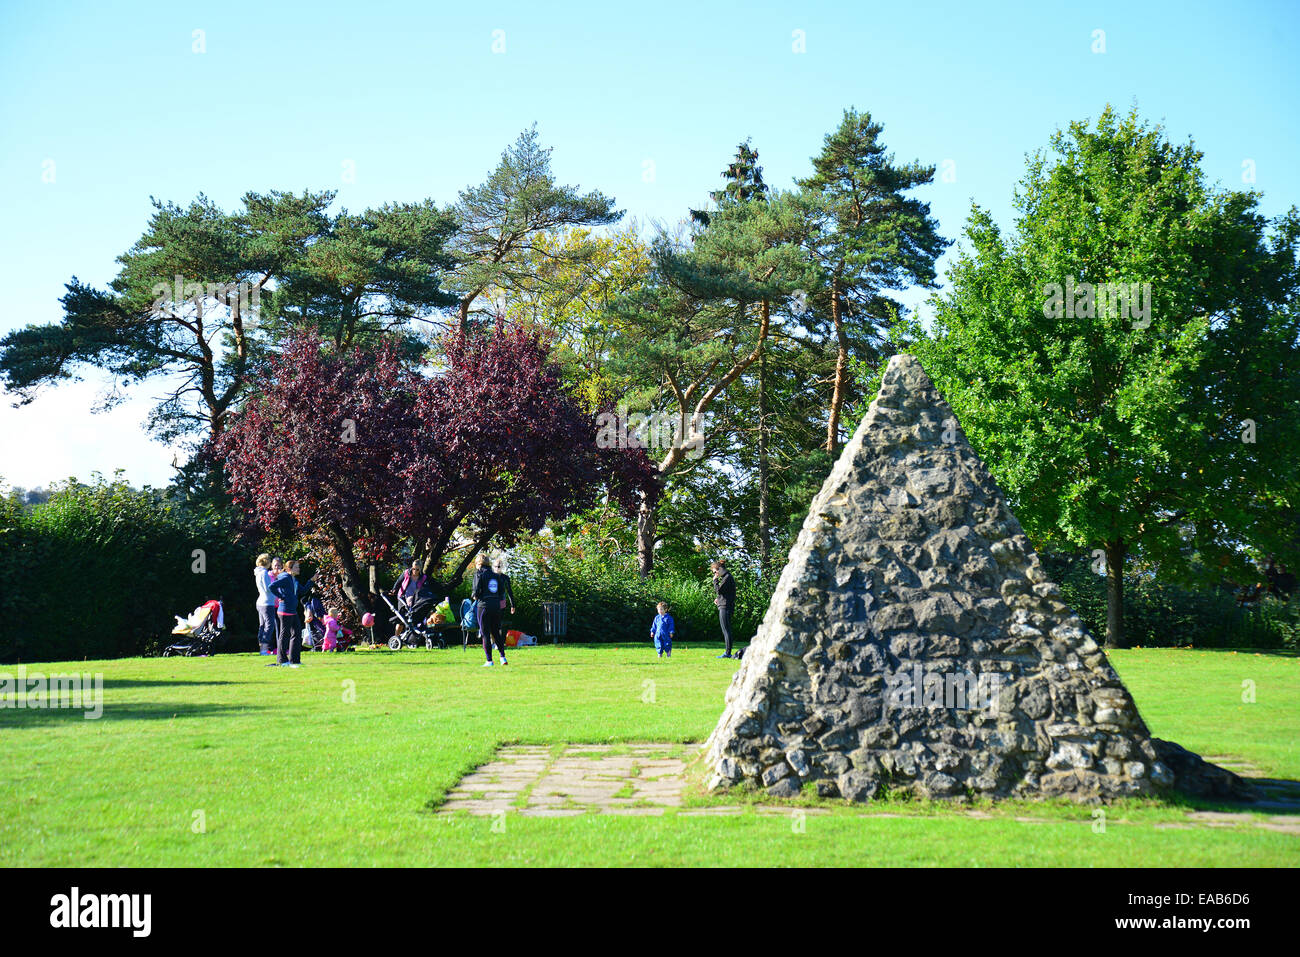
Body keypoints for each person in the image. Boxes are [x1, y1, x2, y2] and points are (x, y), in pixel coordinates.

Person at [471, 554, 508, 667]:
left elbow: (476, 590)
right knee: (496, 632)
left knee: (485, 633)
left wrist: (474, 596)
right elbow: (502, 591)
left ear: (479, 564)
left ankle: (489, 660)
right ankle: (502, 657)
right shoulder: (496, 575)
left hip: (484, 606)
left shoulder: (479, 573)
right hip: (496, 605)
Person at [267, 560, 305, 668]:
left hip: (292, 610)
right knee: (284, 636)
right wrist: (281, 596)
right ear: (289, 569)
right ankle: (282, 660)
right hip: (285, 611)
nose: (298, 569)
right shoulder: (285, 577)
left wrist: (311, 581)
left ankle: (295, 660)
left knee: (297, 633)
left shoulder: (293, 579)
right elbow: (272, 586)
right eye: (296, 567)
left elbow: (301, 591)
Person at [712, 559, 737, 658]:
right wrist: (718, 599)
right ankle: (727, 652)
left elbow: (718, 590)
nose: (714, 574)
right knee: (726, 630)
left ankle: (727, 653)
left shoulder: (727, 577)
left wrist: (715, 580)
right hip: (725, 605)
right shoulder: (727, 577)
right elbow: (724, 593)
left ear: (718, 570)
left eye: (714, 572)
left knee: (726, 630)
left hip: (725, 607)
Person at [254, 554, 277, 655]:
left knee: (263, 625)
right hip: (267, 602)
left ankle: (262, 648)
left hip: (261, 602)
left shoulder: (258, 573)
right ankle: (264, 649)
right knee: (269, 625)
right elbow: (268, 588)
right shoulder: (264, 573)